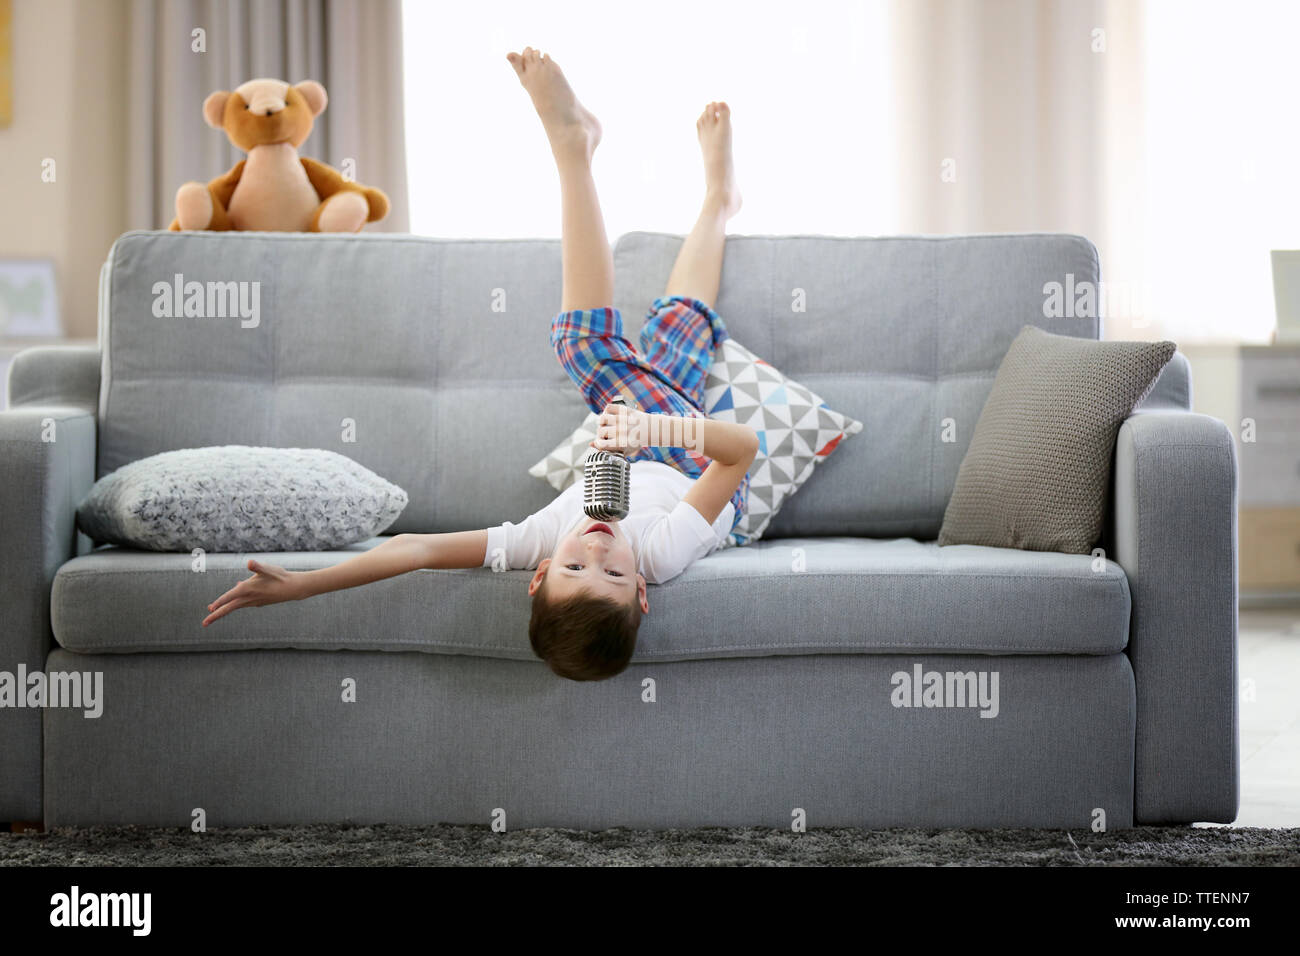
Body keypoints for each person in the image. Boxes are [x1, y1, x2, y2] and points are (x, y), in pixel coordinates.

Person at [202, 48, 757, 682]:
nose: (598, 550)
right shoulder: (660, 553)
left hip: (650, 457)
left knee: (676, 328)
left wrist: (307, 585)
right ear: (642, 592)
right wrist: (651, 432)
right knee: (586, 348)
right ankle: (575, 148)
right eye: (613, 573)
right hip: (700, 471)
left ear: (538, 576)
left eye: (576, 567)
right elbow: (739, 450)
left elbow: (415, 549)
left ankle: (719, 199)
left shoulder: (536, 542)